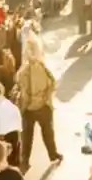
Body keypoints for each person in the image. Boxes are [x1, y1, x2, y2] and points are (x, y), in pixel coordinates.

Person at [15, 36, 63, 169]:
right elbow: (52, 83)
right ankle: (52, 155)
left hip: (29, 107)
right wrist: (45, 96)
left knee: (27, 136)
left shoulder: (25, 70)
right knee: (46, 132)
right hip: (42, 106)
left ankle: (25, 161)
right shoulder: (41, 67)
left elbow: (19, 82)